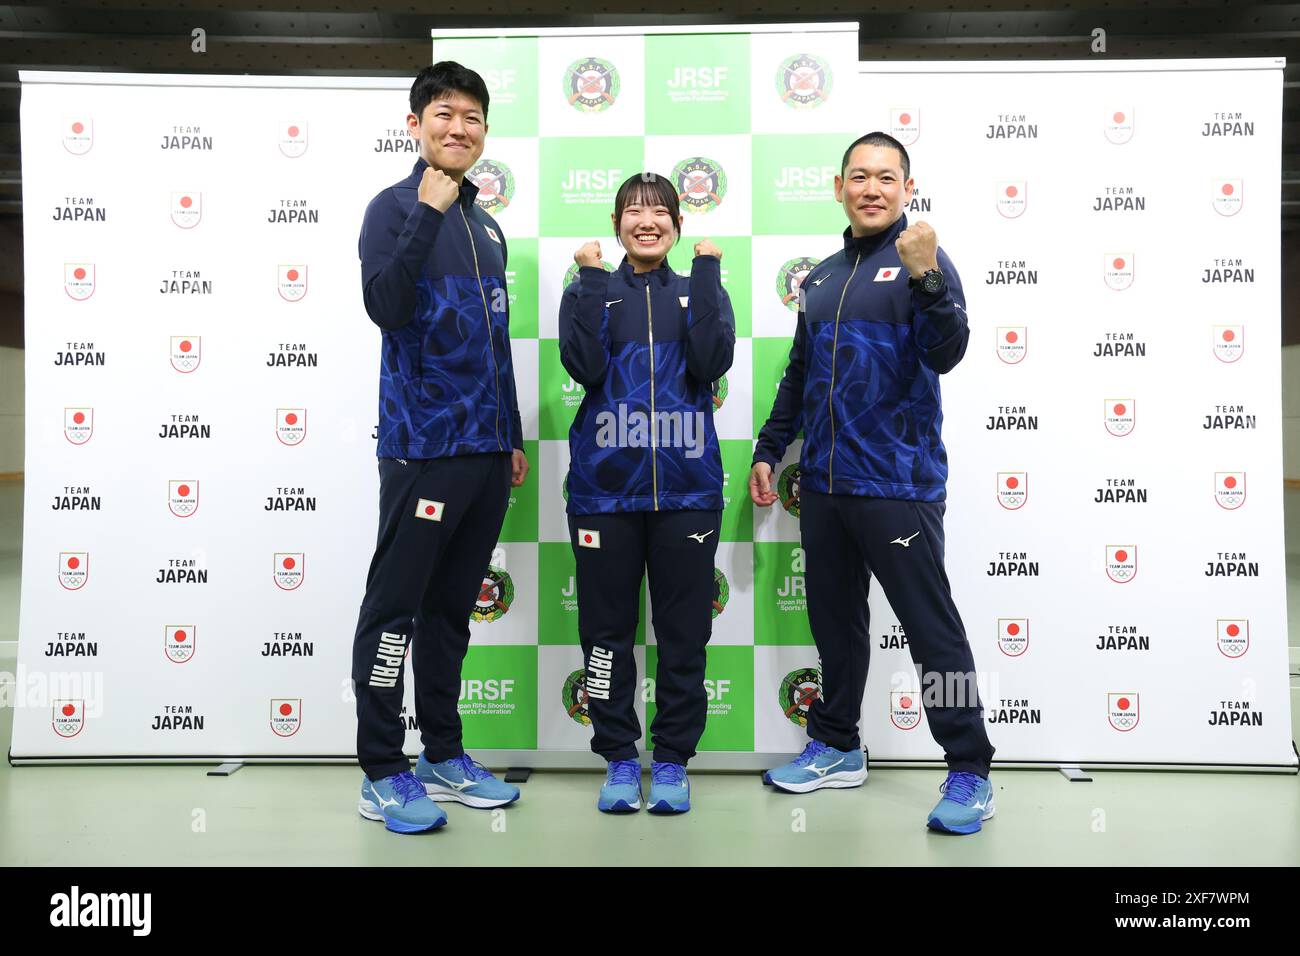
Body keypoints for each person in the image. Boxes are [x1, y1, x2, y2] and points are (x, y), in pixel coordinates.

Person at [749, 132, 997, 834]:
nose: (871, 188)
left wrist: (927, 279)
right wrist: (771, 448)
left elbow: (947, 352)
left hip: (897, 483)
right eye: (859, 176)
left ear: (905, 188)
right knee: (835, 623)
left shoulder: (923, 258)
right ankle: (835, 744)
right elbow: (800, 374)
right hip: (824, 486)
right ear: (839, 188)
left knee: (930, 629)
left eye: (886, 177)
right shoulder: (823, 276)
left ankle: (971, 769)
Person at [352, 62, 530, 834]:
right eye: (445, 114)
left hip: (486, 453)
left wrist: (512, 436)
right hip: (422, 447)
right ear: (416, 122)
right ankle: (382, 769)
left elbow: (494, 341)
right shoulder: (393, 208)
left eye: (473, 118)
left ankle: (444, 754)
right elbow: (385, 307)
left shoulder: (486, 223)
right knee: (395, 611)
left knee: (452, 611)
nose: (459, 129)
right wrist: (425, 214)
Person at [559, 172, 735, 814]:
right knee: (605, 636)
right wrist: (588, 281)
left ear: (677, 226)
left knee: (683, 635)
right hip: (604, 495)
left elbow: (712, 361)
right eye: (633, 211)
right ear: (616, 226)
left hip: (688, 494)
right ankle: (615, 759)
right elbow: (585, 366)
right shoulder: (591, 292)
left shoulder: (699, 289)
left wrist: (709, 272)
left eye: (660, 211)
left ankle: (671, 762)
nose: (647, 220)